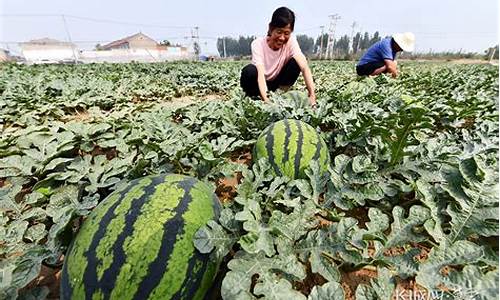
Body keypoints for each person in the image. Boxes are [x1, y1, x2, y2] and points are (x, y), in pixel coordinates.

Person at [240, 7, 317, 107]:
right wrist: (266, 100)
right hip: (259, 84)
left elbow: (304, 67)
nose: (282, 38)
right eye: (279, 32)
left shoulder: (291, 42)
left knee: (296, 62)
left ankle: (279, 95)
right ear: (270, 28)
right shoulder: (258, 44)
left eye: (286, 33)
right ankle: (254, 97)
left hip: (277, 84)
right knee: (249, 71)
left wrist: (312, 95)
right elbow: (260, 74)